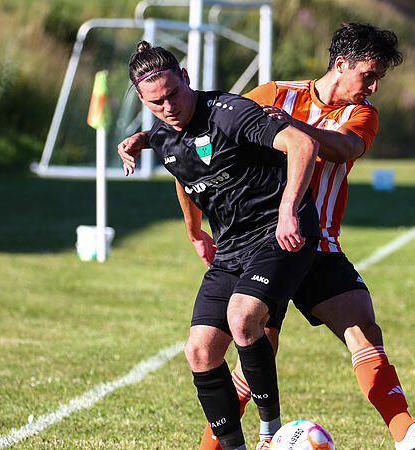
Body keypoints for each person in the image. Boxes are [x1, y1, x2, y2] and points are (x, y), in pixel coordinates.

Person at [120, 23, 415, 450]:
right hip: (262, 241)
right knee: (250, 354)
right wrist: (152, 140)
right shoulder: (271, 94)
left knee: (360, 328)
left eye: (379, 78)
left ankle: (407, 432)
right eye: (369, 75)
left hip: (315, 238)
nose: (374, 87)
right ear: (341, 65)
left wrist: (295, 129)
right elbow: (202, 143)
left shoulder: (362, 114)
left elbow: (343, 149)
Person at [120, 41, 320, 450]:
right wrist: (194, 232)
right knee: (199, 351)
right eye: (155, 102)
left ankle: (271, 433)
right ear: (142, 100)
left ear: (187, 78)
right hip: (231, 248)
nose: (168, 106)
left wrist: (287, 211)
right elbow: (183, 172)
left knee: (243, 317)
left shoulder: (231, 113)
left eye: (173, 93)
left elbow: (303, 145)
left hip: (278, 232)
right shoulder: (162, 134)